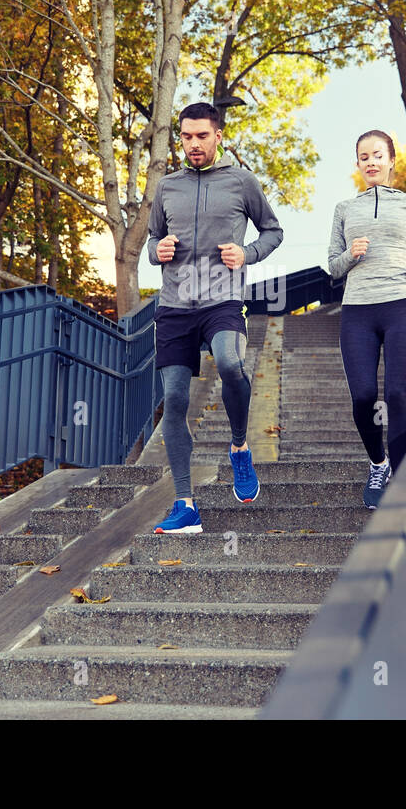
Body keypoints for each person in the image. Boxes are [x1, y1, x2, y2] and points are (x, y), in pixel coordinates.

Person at [148, 102, 284, 533]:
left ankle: (240, 445)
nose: (192, 144)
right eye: (185, 137)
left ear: (218, 135)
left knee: (230, 363)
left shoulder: (241, 182)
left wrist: (247, 254)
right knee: (173, 398)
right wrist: (157, 251)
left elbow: (273, 231)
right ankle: (185, 504)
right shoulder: (168, 187)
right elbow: (152, 239)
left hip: (222, 298)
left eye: (201, 136)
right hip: (173, 305)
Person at [326, 130, 406, 509]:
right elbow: (332, 266)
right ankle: (379, 464)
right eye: (364, 157)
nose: (371, 162)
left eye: (378, 155)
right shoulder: (345, 208)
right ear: (358, 164)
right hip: (357, 311)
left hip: (401, 307)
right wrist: (351, 255)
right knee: (363, 397)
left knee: (395, 393)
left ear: (392, 160)